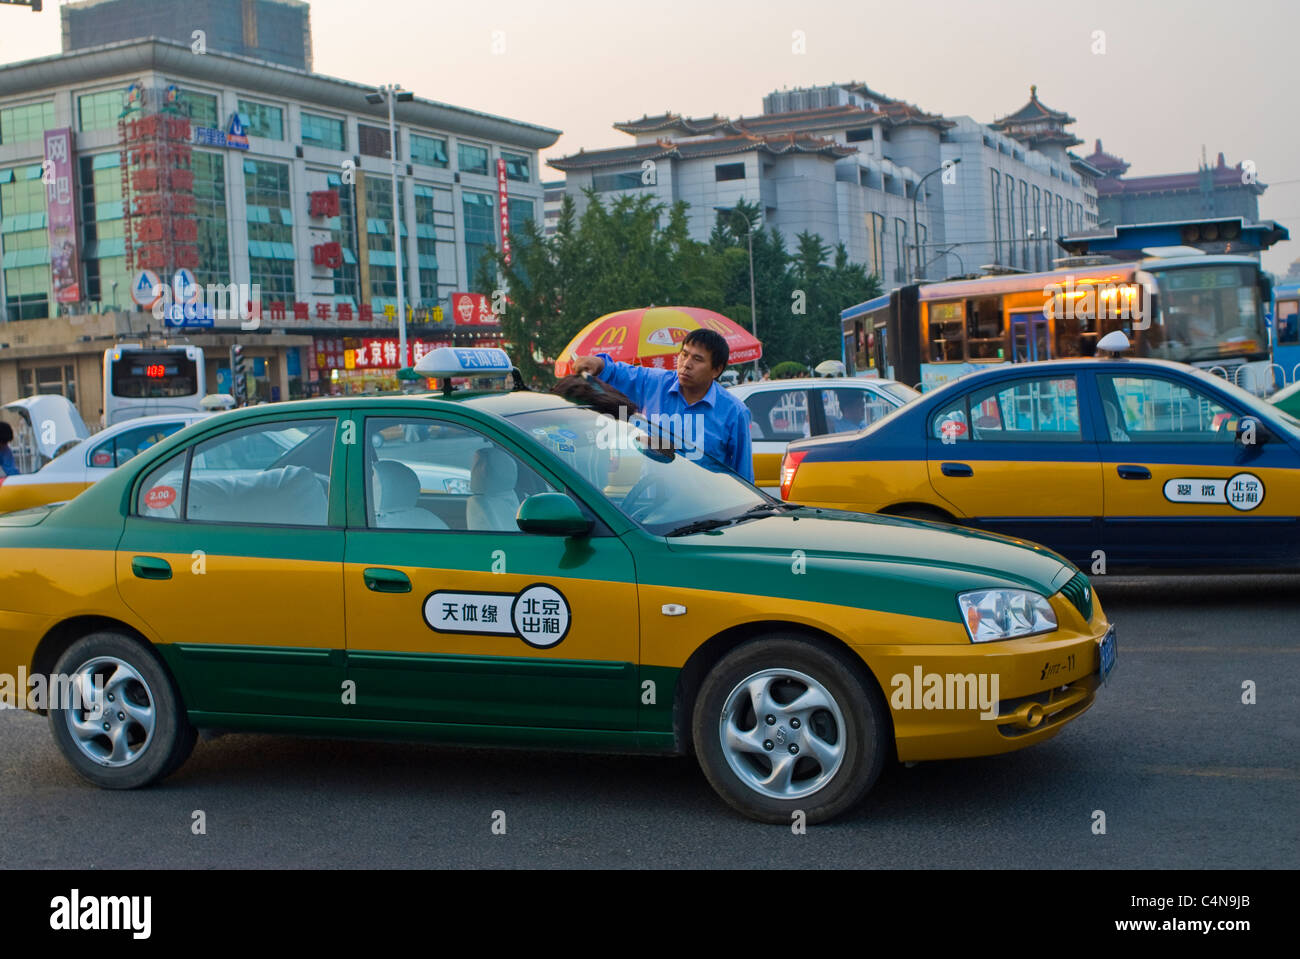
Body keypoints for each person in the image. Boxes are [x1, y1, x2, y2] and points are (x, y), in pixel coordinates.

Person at [570, 329, 754, 482]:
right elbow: (617, 372)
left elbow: (743, 476)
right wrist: (598, 363)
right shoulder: (654, 384)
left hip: (709, 511)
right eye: (684, 355)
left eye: (697, 359)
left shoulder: (734, 413)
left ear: (716, 370)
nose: (686, 364)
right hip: (654, 507)